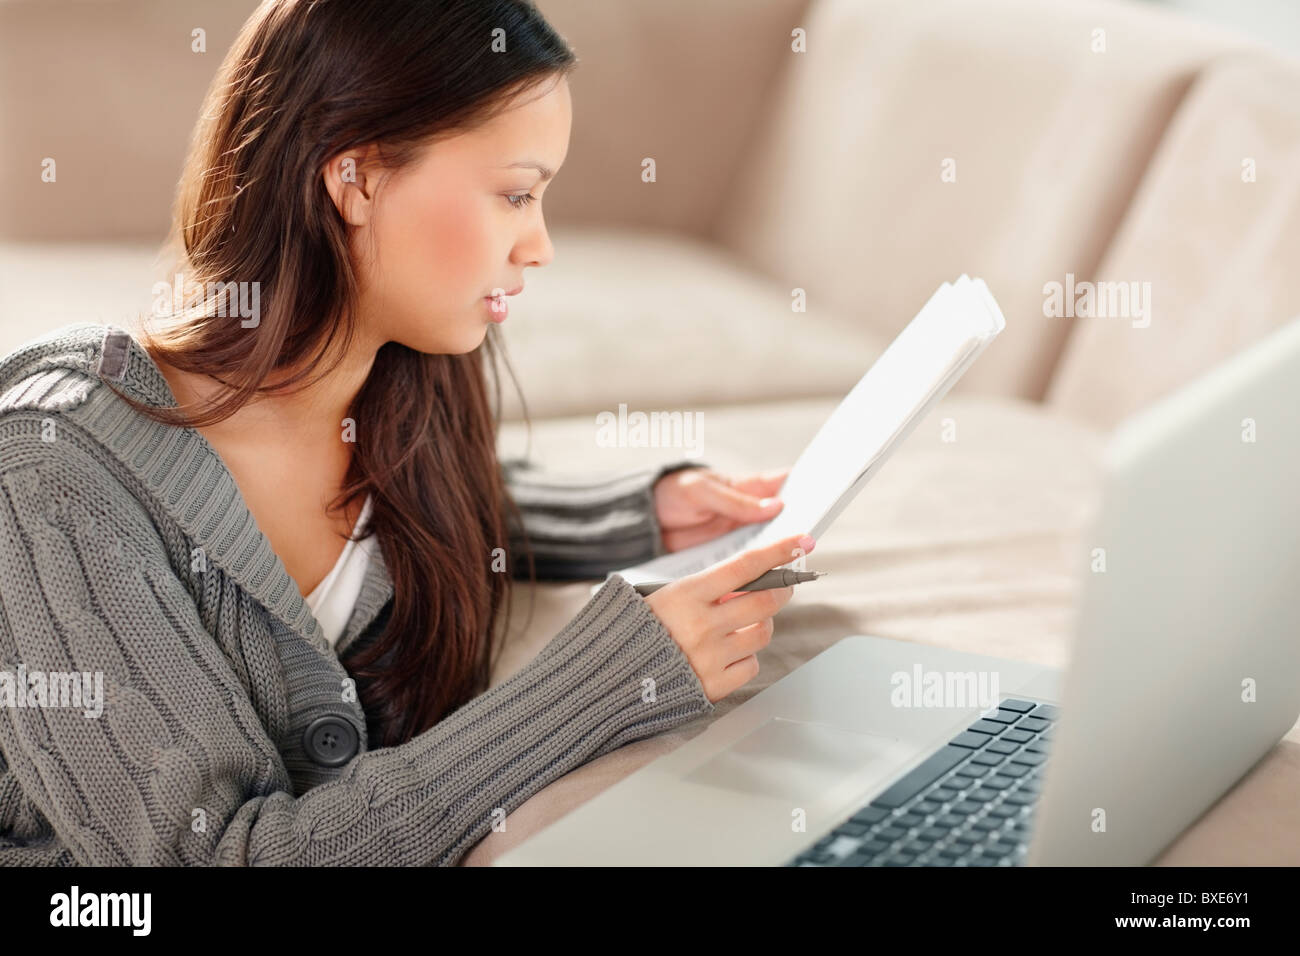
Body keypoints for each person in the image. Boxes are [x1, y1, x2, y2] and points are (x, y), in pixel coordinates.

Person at [0, 0, 812, 866]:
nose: (539, 246)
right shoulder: (51, 478)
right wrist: (609, 679)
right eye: (515, 194)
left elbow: (364, 528)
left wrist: (635, 515)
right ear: (354, 180)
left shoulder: (399, 387)